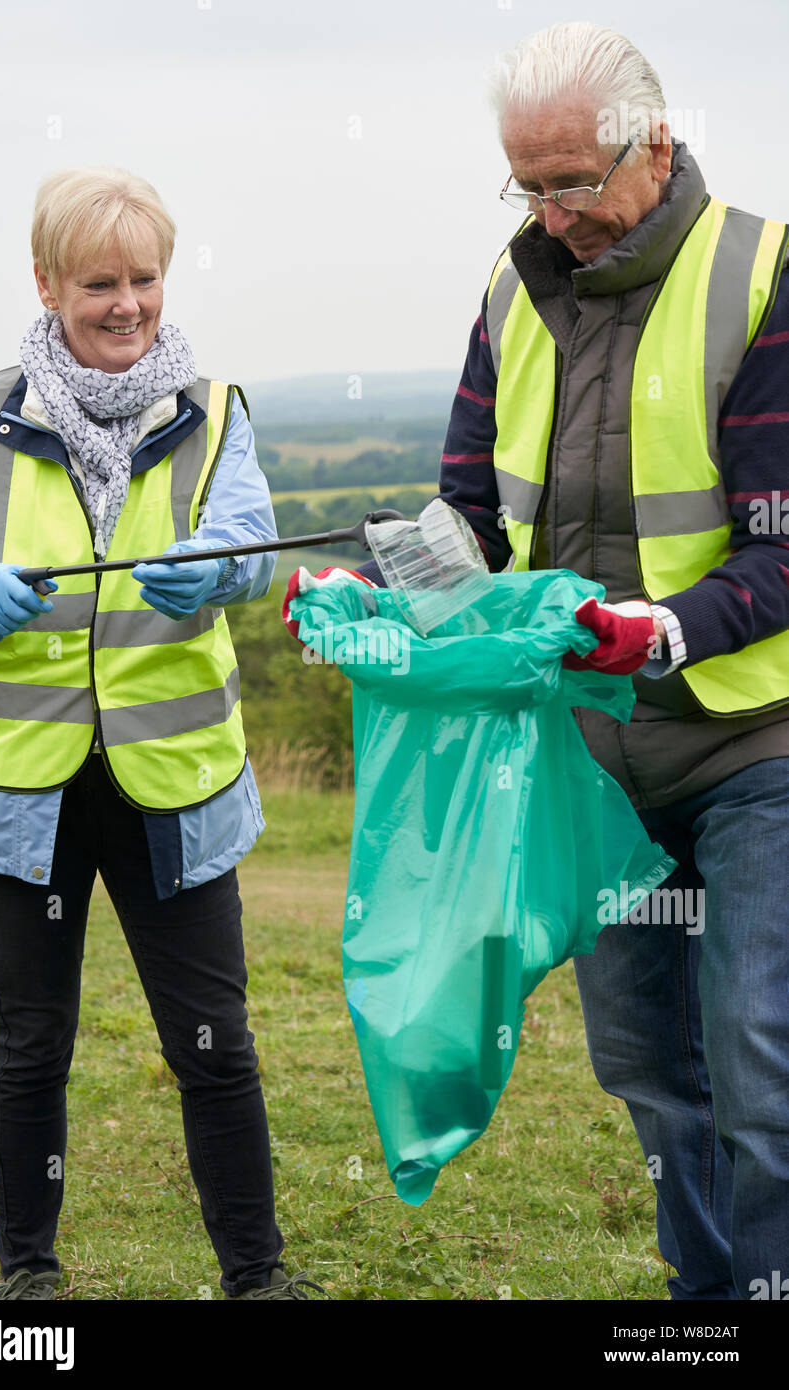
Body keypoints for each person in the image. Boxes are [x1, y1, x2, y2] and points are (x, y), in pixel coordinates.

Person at [287, 21, 789, 1300]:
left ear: (655, 140)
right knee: (648, 1072)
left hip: (751, 747)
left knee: (760, 1064)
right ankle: (706, 1302)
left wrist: (658, 630)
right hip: (589, 763)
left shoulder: (760, 274)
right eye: (528, 183)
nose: (554, 210)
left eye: (576, 178)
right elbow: (465, 523)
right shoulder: (509, 294)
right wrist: (377, 592)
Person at [0, 165, 329, 1301]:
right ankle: (26, 1280)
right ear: (48, 282)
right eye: (99, 282)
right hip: (21, 794)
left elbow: (251, 549)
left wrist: (215, 570)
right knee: (28, 1046)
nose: (126, 304)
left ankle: (257, 1279)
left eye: (143, 279)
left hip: (172, 788)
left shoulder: (214, 412)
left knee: (214, 1049)